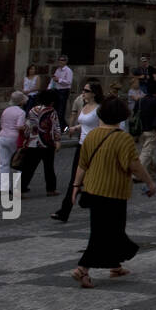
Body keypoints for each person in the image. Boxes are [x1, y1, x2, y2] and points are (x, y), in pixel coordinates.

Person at [69, 97, 156, 288]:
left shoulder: (91, 135)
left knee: (109, 230)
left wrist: (76, 187)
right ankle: (83, 269)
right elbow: (135, 165)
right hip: (113, 192)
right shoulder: (122, 138)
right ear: (122, 116)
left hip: (93, 190)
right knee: (104, 233)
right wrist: (150, 183)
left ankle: (115, 266)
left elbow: (82, 164)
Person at [51, 79, 102, 223]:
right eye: (83, 90)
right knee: (75, 179)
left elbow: (101, 127)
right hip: (81, 145)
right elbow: (84, 123)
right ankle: (64, 211)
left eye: (86, 91)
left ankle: (89, 201)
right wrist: (74, 128)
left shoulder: (99, 109)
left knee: (93, 178)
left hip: (94, 146)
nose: (83, 93)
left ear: (94, 93)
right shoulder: (85, 106)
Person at [20, 90, 62, 195]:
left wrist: (26, 138)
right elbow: (55, 127)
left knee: (28, 168)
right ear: (52, 101)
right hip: (47, 143)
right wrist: (57, 140)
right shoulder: (52, 111)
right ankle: (51, 189)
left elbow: (28, 126)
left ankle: (20, 189)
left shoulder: (33, 110)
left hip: (33, 142)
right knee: (49, 167)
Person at [0, 91, 28, 184]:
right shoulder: (21, 112)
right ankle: (17, 186)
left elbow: (2, 124)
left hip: (2, 137)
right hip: (14, 138)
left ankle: (3, 186)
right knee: (18, 162)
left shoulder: (6, 110)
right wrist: (26, 127)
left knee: (3, 163)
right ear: (21, 101)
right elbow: (19, 126)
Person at [49, 55, 73, 124]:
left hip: (63, 91)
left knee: (61, 110)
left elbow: (68, 82)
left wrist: (59, 80)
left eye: (62, 60)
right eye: (59, 60)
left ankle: (63, 126)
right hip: (57, 91)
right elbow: (54, 79)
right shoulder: (58, 70)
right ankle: (59, 125)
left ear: (65, 61)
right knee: (55, 109)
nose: (60, 61)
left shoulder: (68, 71)